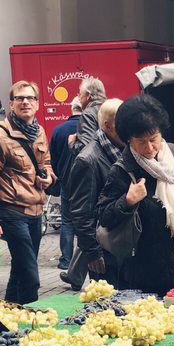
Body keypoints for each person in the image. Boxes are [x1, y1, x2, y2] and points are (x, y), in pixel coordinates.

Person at [96, 95, 174, 295]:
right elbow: (103, 215)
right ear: (128, 140)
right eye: (141, 142)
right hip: (144, 270)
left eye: (154, 139)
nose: (150, 148)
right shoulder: (123, 170)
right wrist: (127, 201)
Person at [0, 80, 55, 304]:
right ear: (11, 103)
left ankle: (9, 312)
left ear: (37, 104)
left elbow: (46, 162)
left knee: (20, 268)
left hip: (35, 210)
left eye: (30, 98)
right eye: (19, 98)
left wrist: (48, 175)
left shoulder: (38, 130)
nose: (25, 102)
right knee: (31, 275)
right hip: (11, 211)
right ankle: (33, 320)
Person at [66, 98, 125, 289]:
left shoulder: (122, 151)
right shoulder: (88, 159)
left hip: (123, 241)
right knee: (108, 306)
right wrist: (92, 252)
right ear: (108, 126)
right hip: (104, 248)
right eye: (123, 122)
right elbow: (81, 212)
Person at [50, 102, 82, 272]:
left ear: (72, 108)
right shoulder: (91, 128)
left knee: (67, 221)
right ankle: (87, 259)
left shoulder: (58, 130)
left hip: (66, 181)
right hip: (86, 182)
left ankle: (66, 260)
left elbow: (52, 159)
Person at [73, 77, 106, 156]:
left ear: (88, 95)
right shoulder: (110, 109)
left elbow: (86, 149)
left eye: (80, 94)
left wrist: (72, 143)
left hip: (98, 165)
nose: (79, 98)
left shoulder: (88, 114)